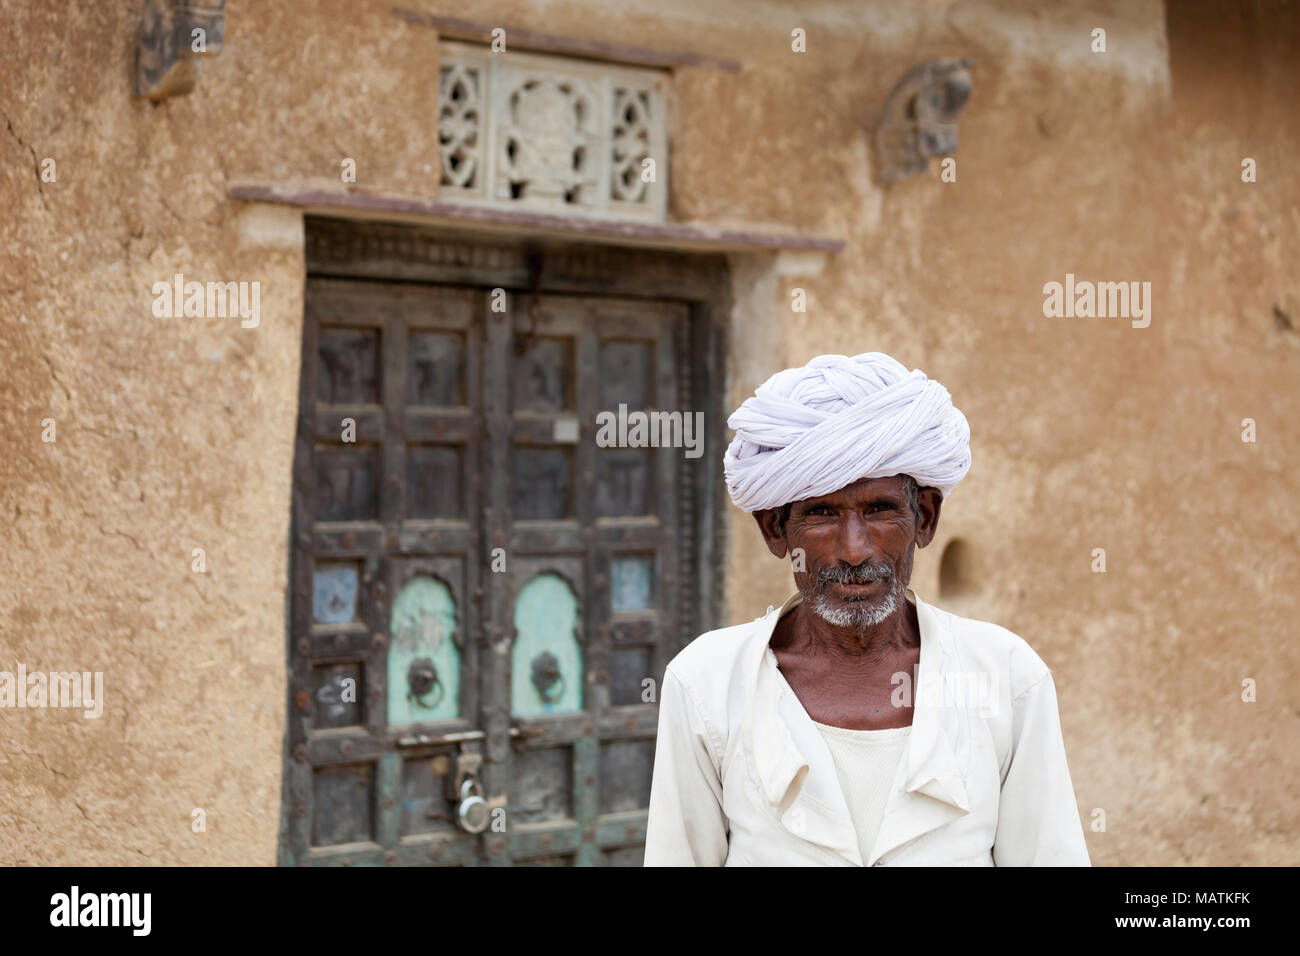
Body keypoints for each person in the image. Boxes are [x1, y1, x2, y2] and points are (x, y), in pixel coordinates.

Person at [644, 352, 1090, 866]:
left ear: (923, 519)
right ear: (775, 530)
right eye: (821, 514)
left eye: (879, 510)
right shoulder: (705, 684)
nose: (854, 550)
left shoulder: (1007, 677)